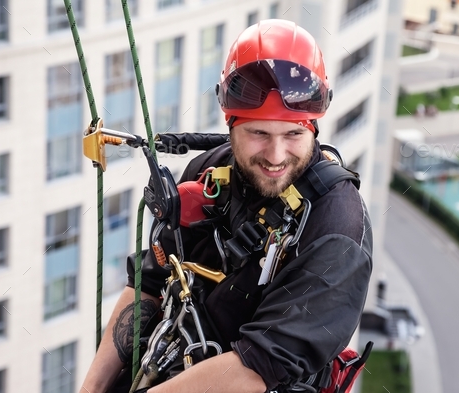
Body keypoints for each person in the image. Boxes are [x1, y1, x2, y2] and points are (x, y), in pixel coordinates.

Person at [80, 19, 372, 393]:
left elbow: (260, 366)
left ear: (314, 126)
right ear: (230, 123)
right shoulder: (210, 172)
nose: (276, 156)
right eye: (258, 133)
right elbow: (150, 285)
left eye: (294, 134)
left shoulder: (336, 230)